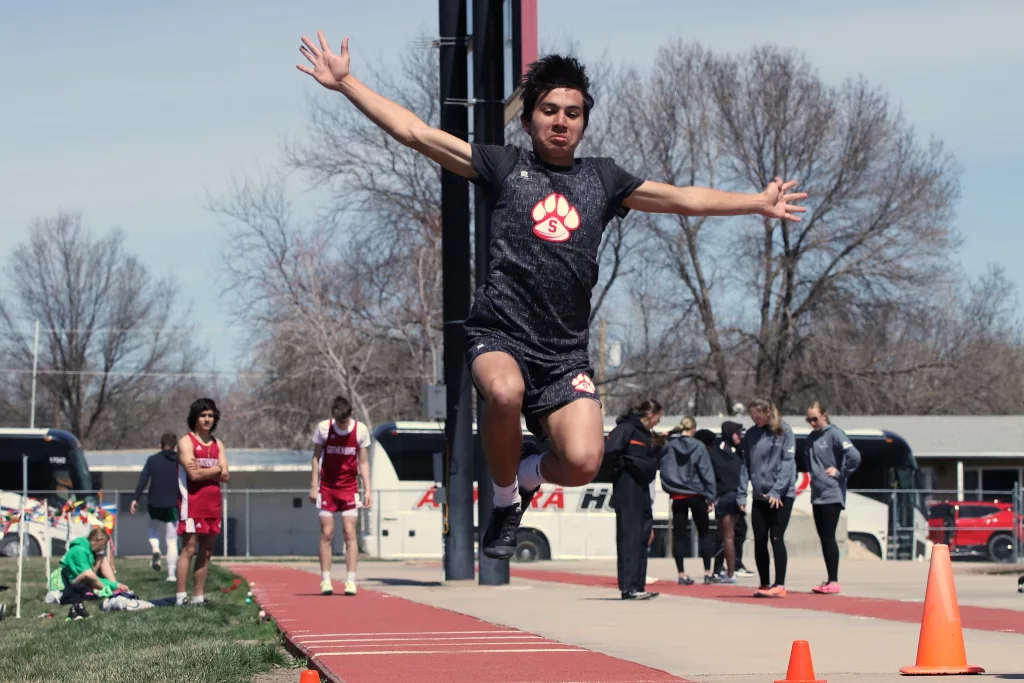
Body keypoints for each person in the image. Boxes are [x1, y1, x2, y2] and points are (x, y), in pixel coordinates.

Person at [295, 32, 807, 561]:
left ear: (585, 121)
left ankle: (524, 473)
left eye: (573, 113)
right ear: (528, 119)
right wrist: (347, 83)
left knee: (585, 462)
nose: (561, 121)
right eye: (549, 111)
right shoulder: (504, 166)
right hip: (499, 333)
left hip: (563, 354)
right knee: (506, 392)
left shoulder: (603, 179)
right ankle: (502, 499)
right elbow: (418, 133)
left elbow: (684, 199)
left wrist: (757, 203)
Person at [310, 396, 372, 597]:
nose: (341, 425)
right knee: (327, 532)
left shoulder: (360, 431)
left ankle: (351, 581)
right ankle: (325, 580)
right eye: (338, 422)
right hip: (327, 487)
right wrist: (313, 485)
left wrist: (368, 489)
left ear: (350, 415)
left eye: (344, 422)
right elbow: (316, 457)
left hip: (349, 488)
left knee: (349, 532)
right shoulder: (324, 429)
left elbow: (363, 462)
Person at [739, 397, 796, 598]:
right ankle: (764, 583)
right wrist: (742, 494)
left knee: (776, 536)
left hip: (781, 495)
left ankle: (779, 584)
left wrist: (777, 490)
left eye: (758, 415)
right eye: (752, 416)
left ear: (768, 413)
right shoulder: (751, 434)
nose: (755, 419)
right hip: (760, 495)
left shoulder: (784, 431)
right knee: (759, 539)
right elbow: (746, 464)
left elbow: (788, 463)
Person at [606, 400, 662, 600]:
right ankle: (628, 587)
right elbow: (609, 451)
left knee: (642, 537)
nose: (657, 422)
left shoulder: (645, 434)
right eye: (658, 418)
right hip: (627, 489)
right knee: (629, 537)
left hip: (642, 489)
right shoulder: (625, 429)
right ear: (650, 414)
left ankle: (638, 585)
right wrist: (623, 465)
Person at [175, 397, 229, 607]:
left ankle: (198, 597)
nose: (207, 419)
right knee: (189, 549)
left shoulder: (218, 444)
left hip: (213, 504)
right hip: (192, 503)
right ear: (195, 417)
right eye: (203, 415)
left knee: (207, 551)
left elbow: (226, 475)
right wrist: (216, 469)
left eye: (210, 416)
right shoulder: (186, 442)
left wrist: (212, 471)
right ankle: (181, 597)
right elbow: (193, 475)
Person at [804, 401, 861, 594]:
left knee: (829, 536)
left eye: (815, 419)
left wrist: (841, 472)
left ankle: (833, 580)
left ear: (824, 416)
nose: (812, 423)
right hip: (817, 494)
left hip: (832, 493)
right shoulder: (811, 437)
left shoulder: (835, 434)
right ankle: (829, 578)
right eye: (809, 419)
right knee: (823, 537)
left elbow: (854, 455)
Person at [659, 418, 717, 585]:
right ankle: (707, 572)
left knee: (679, 535)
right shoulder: (699, 446)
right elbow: (706, 471)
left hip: (678, 496)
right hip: (697, 494)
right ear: (693, 430)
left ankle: (682, 573)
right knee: (704, 532)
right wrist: (711, 495)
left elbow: (661, 462)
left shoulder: (669, 445)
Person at [129, 432, 181, 581]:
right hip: (173, 504)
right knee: (172, 540)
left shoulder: (152, 460)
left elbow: (143, 479)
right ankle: (171, 575)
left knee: (152, 530)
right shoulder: (179, 461)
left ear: (160, 445)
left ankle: (155, 548)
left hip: (155, 503)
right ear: (175, 446)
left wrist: (135, 498)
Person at [57, 528, 130, 619]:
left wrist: (114, 584)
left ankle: (115, 587)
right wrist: (112, 586)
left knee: (101, 558)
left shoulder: (88, 550)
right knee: (88, 573)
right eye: (102, 545)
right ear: (94, 540)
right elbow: (87, 574)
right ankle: (112, 590)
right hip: (69, 583)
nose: (102, 548)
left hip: (81, 578)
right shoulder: (79, 550)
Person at [708, 421, 745, 583]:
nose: (740, 436)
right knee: (727, 535)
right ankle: (725, 569)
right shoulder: (732, 452)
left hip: (727, 497)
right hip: (734, 497)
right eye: (737, 433)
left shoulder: (727, 452)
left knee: (727, 536)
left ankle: (730, 573)